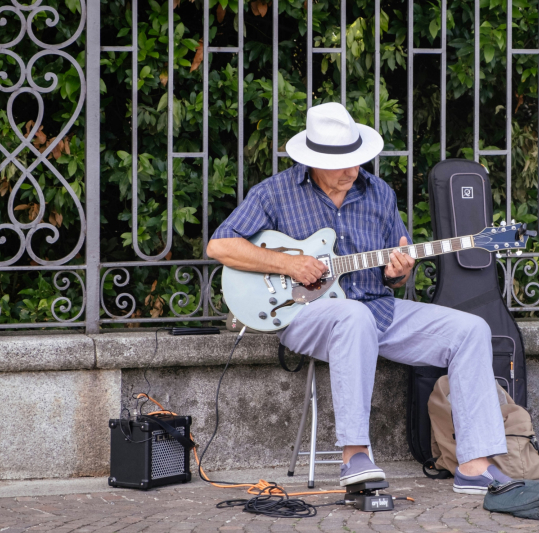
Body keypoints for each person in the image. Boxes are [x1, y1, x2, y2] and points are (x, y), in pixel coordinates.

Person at [207, 102, 511, 494]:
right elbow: (220, 246)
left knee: (471, 330)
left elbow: (396, 272)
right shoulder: (275, 193)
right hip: (305, 315)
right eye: (340, 164)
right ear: (314, 161)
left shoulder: (379, 193)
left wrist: (400, 272)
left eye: (356, 159)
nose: (352, 170)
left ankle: (474, 465)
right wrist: (288, 264)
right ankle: (355, 456)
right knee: (353, 316)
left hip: (377, 308)